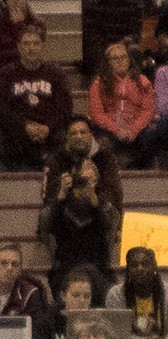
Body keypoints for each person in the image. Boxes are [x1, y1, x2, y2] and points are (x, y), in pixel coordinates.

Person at [41, 116, 122, 284]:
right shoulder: (56, 159)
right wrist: (64, 192)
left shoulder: (105, 157)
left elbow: (114, 191)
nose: (79, 136)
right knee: (47, 213)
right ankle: (58, 263)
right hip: (66, 211)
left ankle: (103, 263)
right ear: (67, 138)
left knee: (109, 211)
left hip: (96, 210)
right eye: (74, 133)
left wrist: (93, 196)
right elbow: (47, 195)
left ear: (91, 135)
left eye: (83, 132)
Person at [90, 42, 160, 169]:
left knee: (152, 136)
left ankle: (139, 169)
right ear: (108, 62)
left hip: (138, 128)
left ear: (129, 60)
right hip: (110, 128)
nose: (120, 61)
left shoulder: (142, 81)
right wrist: (116, 129)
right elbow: (96, 113)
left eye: (123, 57)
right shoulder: (99, 83)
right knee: (103, 142)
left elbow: (148, 110)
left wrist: (133, 130)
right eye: (115, 58)